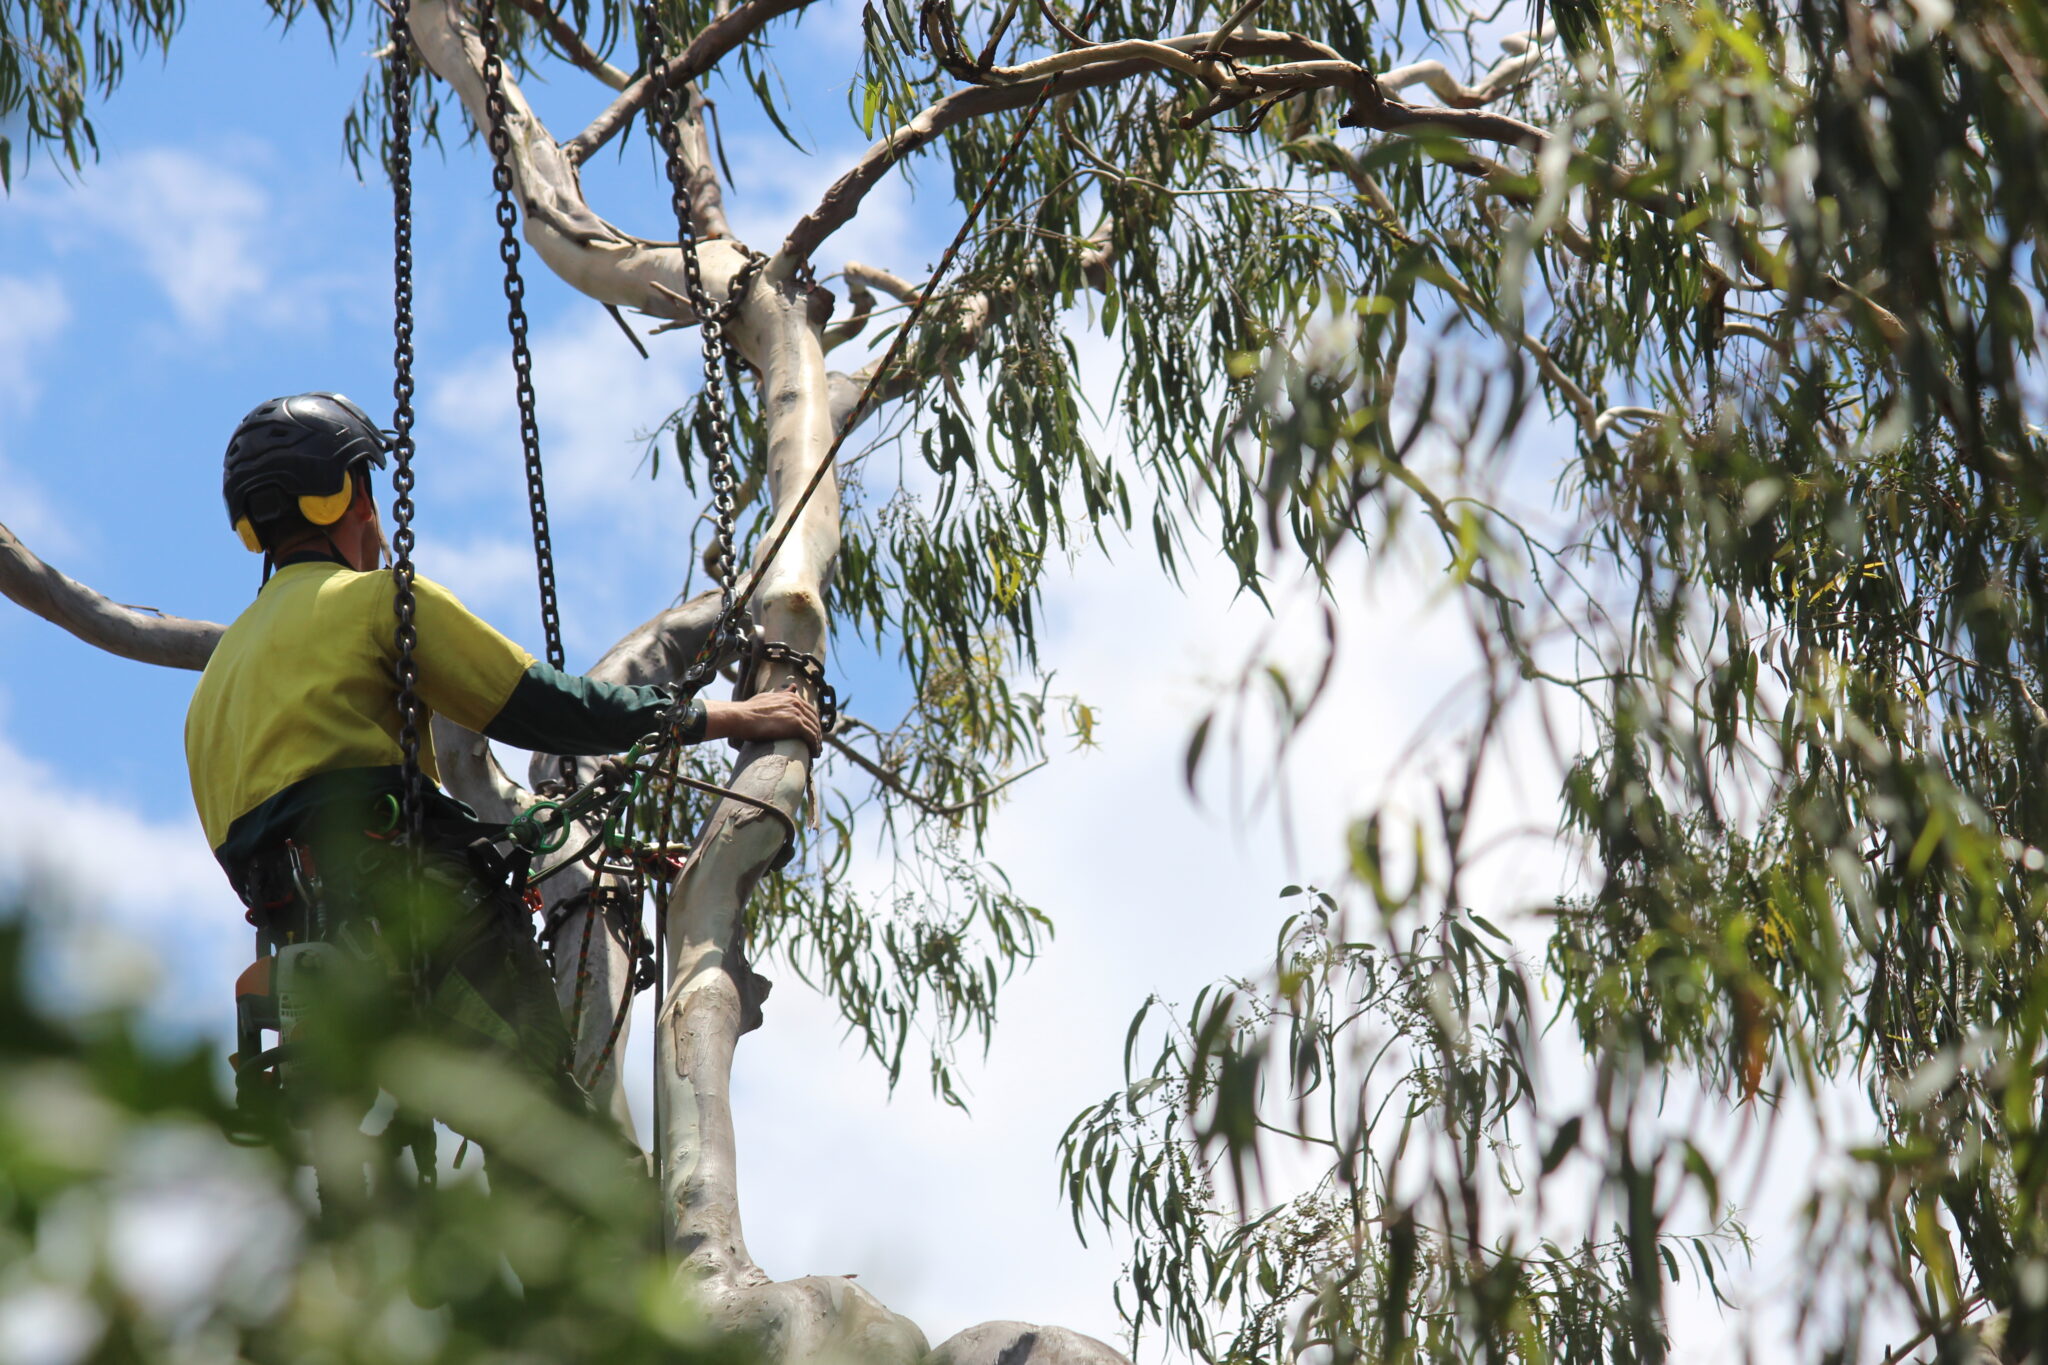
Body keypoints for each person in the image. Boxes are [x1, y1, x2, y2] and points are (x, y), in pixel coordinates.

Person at [185, 391, 817, 1140]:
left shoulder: (212, 690)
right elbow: (549, 707)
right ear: (348, 494)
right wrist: (720, 716)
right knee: (549, 1140)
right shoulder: (379, 603)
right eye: (369, 491)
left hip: (319, 967)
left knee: (505, 1144)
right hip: (415, 918)